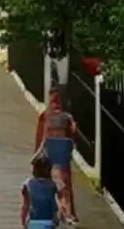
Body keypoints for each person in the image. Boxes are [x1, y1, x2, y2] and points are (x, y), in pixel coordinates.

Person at [34, 89, 79, 224]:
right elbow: (73, 134)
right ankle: (67, 213)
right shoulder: (64, 116)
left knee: (54, 182)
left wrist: (36, 154)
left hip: (52, 152)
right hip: (60, 152)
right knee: (64, 183)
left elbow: (40, 137)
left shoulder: (47, 115)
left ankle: (63, 212)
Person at [20, 155, 62, 228]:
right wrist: (58, 218)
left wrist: (23, 222)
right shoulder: (53, 184)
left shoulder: (27, 184)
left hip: (33, 222)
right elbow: (58, 204)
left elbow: (25, 206)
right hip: (49, 222)